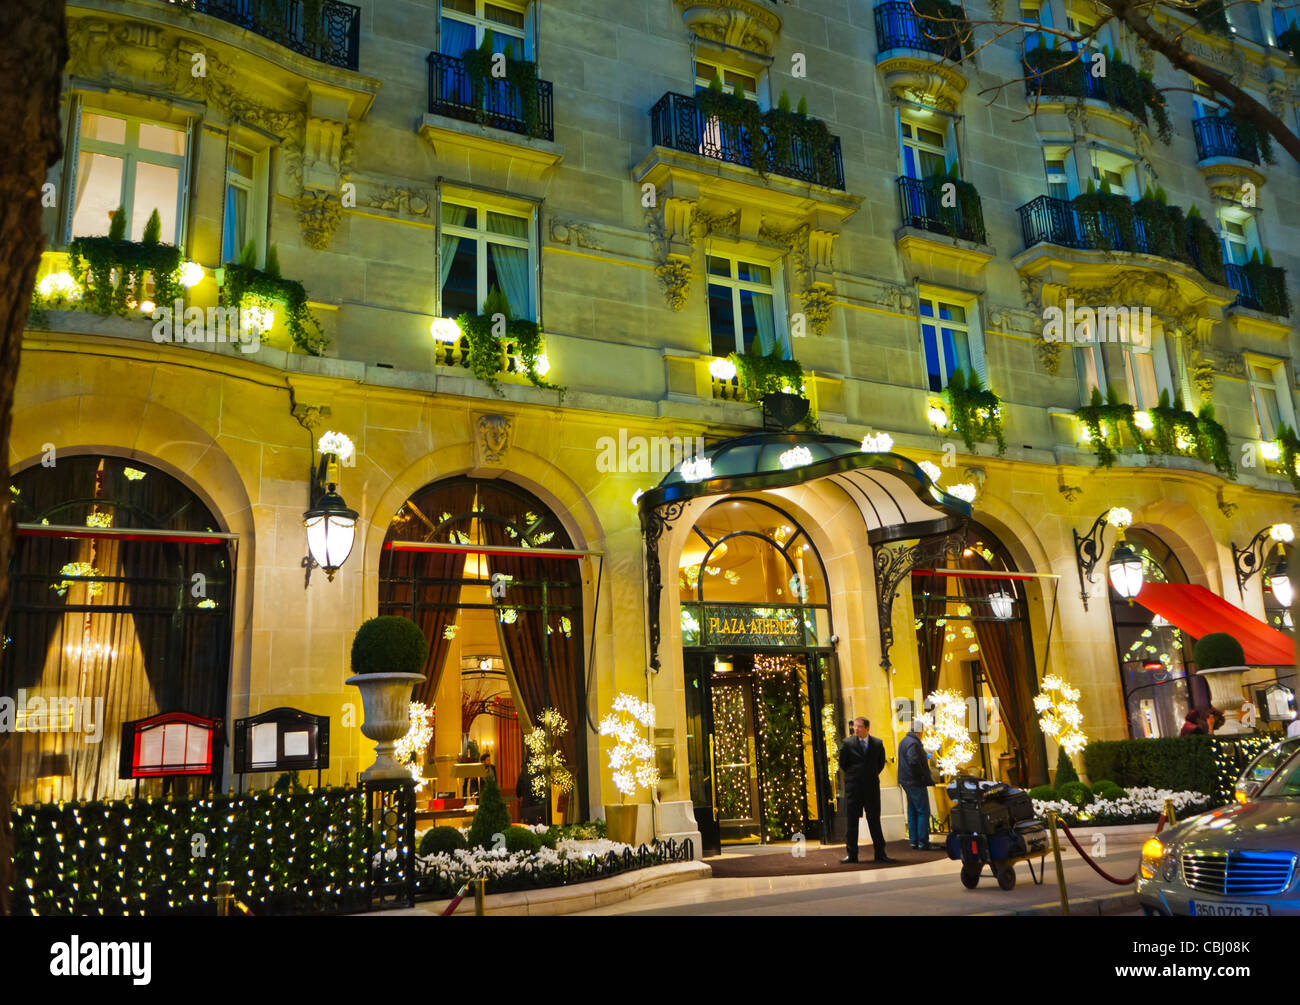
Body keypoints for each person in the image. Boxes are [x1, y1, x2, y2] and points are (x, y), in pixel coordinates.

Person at [838, 717, 894, 864]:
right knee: (852, 822)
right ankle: (852, 854)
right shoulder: (848, 743)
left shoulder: (877, 743)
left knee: (874, 820)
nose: (856, 729)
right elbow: (843, 763)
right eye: (855, 727)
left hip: (871, 787)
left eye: (860, 727)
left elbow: (880, 763)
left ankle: (880, 853)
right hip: (853, 788)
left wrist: (870, 774)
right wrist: (854, 775)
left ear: (867, 728)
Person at [897, 718, 935, 851]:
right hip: (915, 781)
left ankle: (914, 840)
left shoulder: (904, 741)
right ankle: (923, 841)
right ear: (919, 731)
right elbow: (913, 761)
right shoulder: (914, 743)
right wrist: (922, 775)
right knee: (923, 811)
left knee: (912, 811)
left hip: (906, 781)